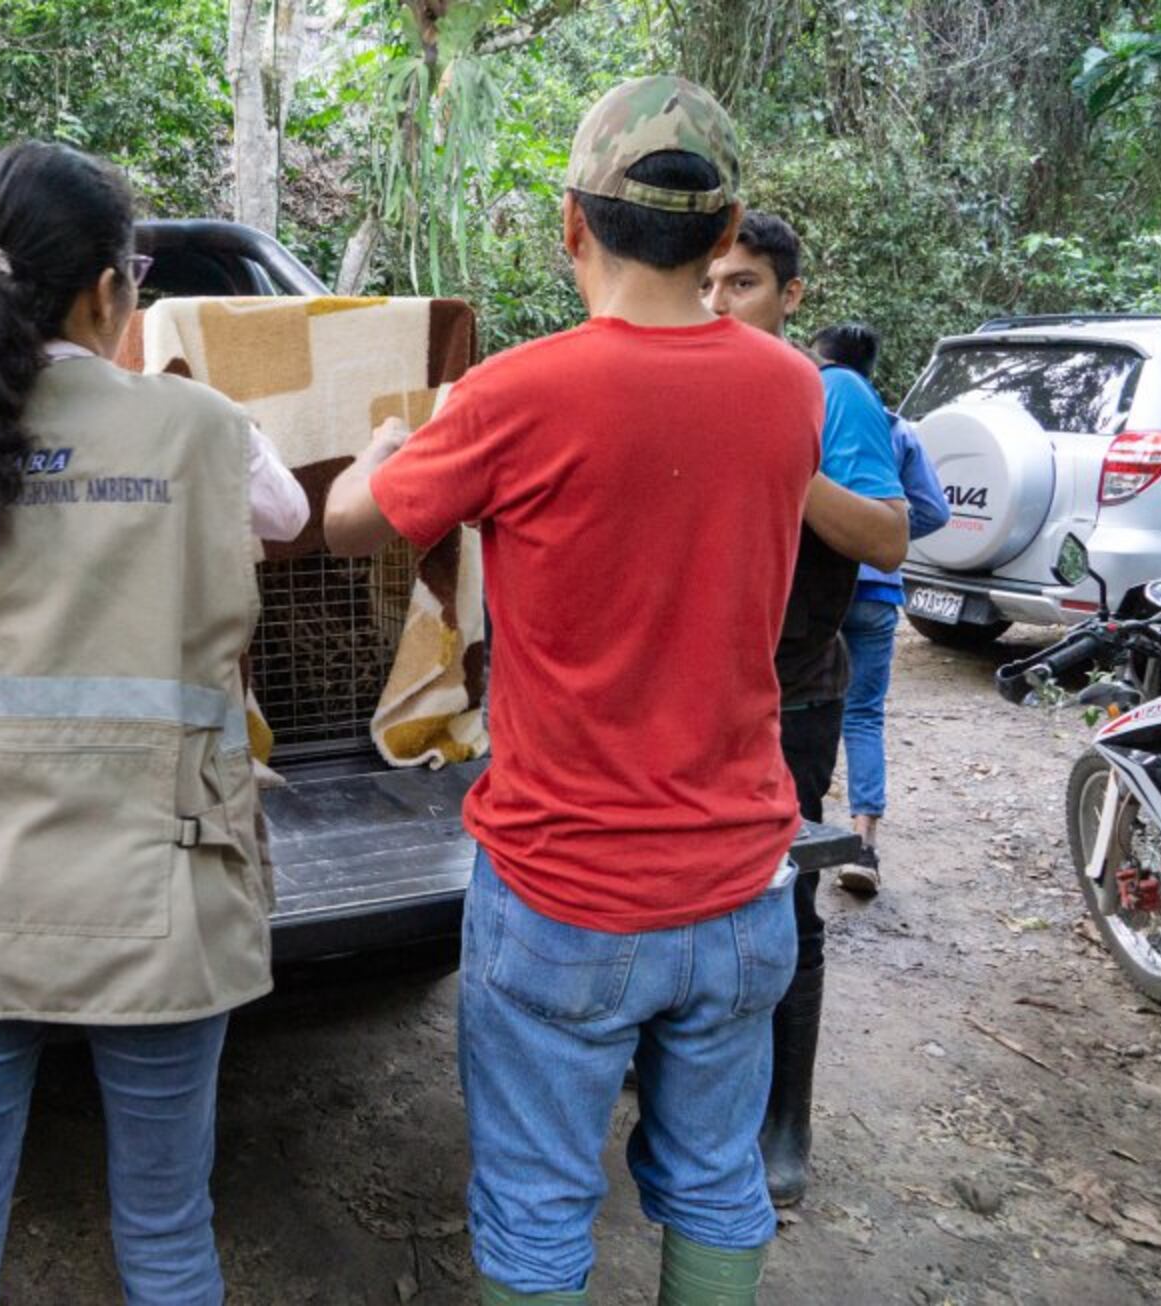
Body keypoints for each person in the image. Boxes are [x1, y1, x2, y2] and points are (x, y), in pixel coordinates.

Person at [324, 77, 821, 1304]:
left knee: (540, 1202)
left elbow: (349, 528)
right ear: (724, 233)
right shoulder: (792, 389)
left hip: (564, 889)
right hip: (743, 881)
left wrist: (386, 452)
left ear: (570, 225)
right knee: (716, 1177)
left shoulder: (515, 394)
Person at [0, 141, 308, 1304]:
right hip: (160, 906)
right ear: (111, 289)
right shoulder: (197, 429)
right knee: (165, 1233)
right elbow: (288, 514)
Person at [703, 217, 909, 1209]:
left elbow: (886, 534)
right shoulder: (686, 384)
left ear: (790, 297)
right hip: (697, 691)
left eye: (741, 284)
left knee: (783, 897)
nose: (718, 302)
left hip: (794, 693)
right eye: (707, 284)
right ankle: (689, 1086)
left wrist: (791, 471)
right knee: (691, 890)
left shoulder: (831, 394)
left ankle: (786, 1120)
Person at [809, 322, 950, 895]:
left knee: (796, 709)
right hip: (878, 592)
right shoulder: (897, 429)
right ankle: (863, 847)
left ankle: (794, 837)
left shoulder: (817, 411)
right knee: (862, 715)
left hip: (819, 590)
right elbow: (933, 510)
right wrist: (883, 541)